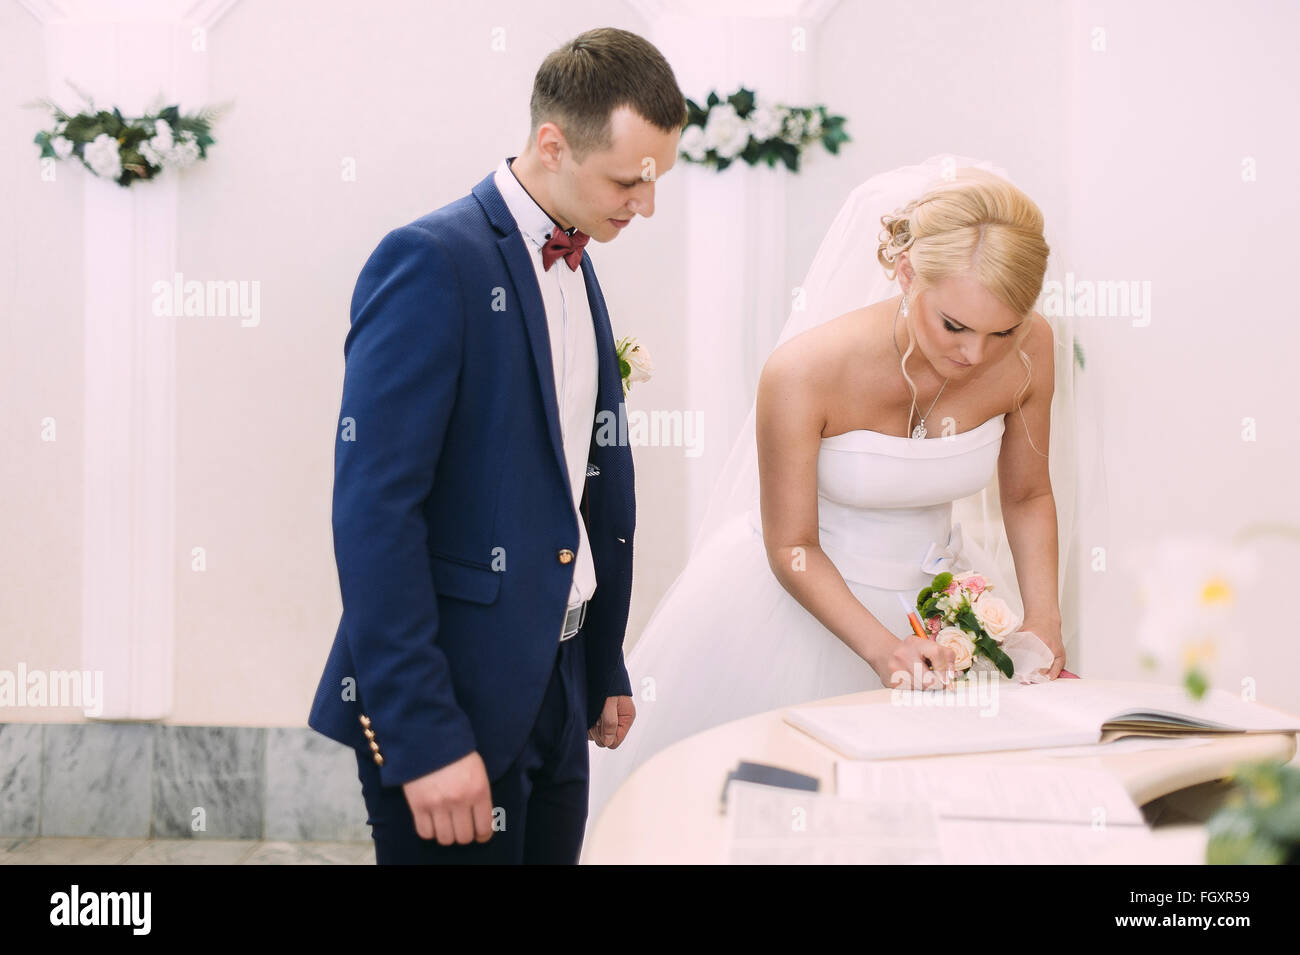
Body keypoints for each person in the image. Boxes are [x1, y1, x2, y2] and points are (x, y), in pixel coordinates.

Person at [584, 155, 1077, 850]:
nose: (976, 355)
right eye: (955, 326)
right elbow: (793, 543)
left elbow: (1027, 492)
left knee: (937, 830)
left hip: (938, 602)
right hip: (799, 602)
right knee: (779, 831)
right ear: (905, 272)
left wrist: (1044, 619)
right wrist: (882, 649)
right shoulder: (805, 370)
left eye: (1002, 331)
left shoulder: (1032, 351)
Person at [307, 27, 686, 864]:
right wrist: (424, 734)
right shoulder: (428, 261)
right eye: (630, 181)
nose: (645, 205)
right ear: (552, 144)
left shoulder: (577, 257)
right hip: (456, 693)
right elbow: (376, 514)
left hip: (559, 684)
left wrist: (601, 661)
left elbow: (579, 483)